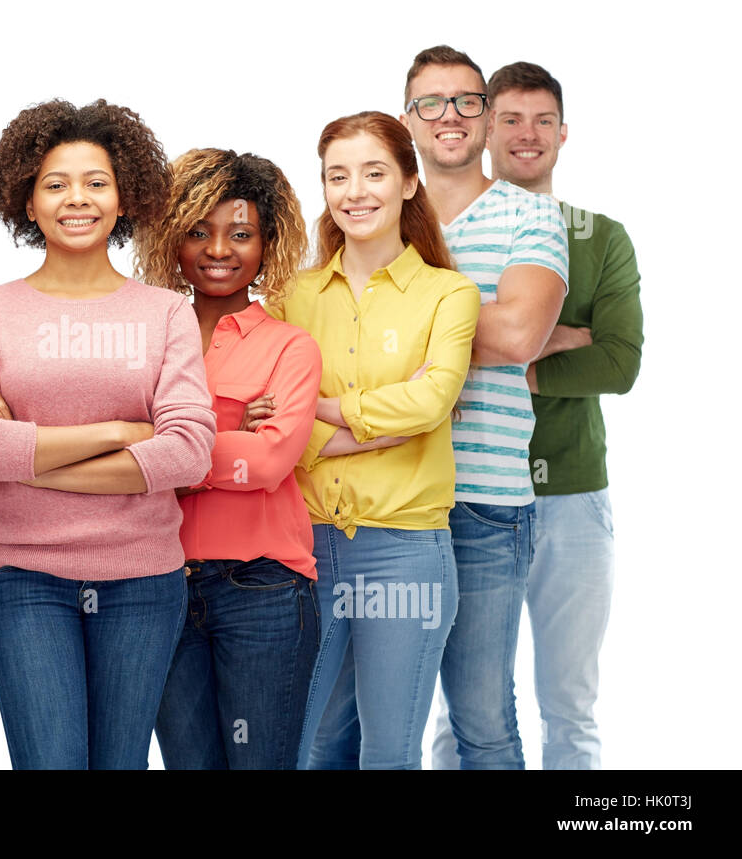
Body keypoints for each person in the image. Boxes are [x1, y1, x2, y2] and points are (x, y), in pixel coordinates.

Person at [0, 99, 217, 770]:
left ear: (124, 198)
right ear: (27, 203)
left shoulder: (165, 311)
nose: (76, 199)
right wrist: (119, 431)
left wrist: (26, 458)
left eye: (96, 182)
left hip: (143, 578)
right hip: (25, 575)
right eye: (55, 184)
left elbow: (187, 449)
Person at [269, 111, 478, 769]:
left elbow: (432, 399)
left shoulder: (450, 294)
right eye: (338, 175)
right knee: (301, 749)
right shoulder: (289, 296)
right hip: (305, 547)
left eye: (374, 172)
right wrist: (378, 425)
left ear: (410, 183)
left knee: (388, 753)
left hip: (405, 551)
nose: (355, 190)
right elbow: (264, 419)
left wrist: (321, 410)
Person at [394, 45, 570, 771]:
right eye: (430, 103)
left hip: (486, 502)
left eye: (467, 101)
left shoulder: (530, 217)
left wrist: (400, 326)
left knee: (483, 718)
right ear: (409, 119)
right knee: (369, 714)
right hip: (389, 500)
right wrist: (474, 317)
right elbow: (335, 340)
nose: (450, 116)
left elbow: (522, 333)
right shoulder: (381, 211)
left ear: (486, 116)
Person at [135, 148, 322, 769]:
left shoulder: (291, 347)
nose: (218, 249)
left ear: (268, 243)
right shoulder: (148, 339)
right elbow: (119, 458)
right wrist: (227, 427)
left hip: (263, 586)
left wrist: (173, 444)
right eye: (199, 231)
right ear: (173, 239)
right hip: (158, 586)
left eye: (240, 233)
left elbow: (268, 465)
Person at [485, 61, 642, 769]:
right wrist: (561, 336)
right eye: (510, 118)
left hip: (573, 496)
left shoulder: (600, 237)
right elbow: (430, 358)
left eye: (542, 120)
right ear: (485, 129)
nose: (527, 134)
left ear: (564, 133)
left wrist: (512, 350)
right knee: (469, 704)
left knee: (570, 707)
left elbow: (619, 363)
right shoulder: (452, 234)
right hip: (471, 493)